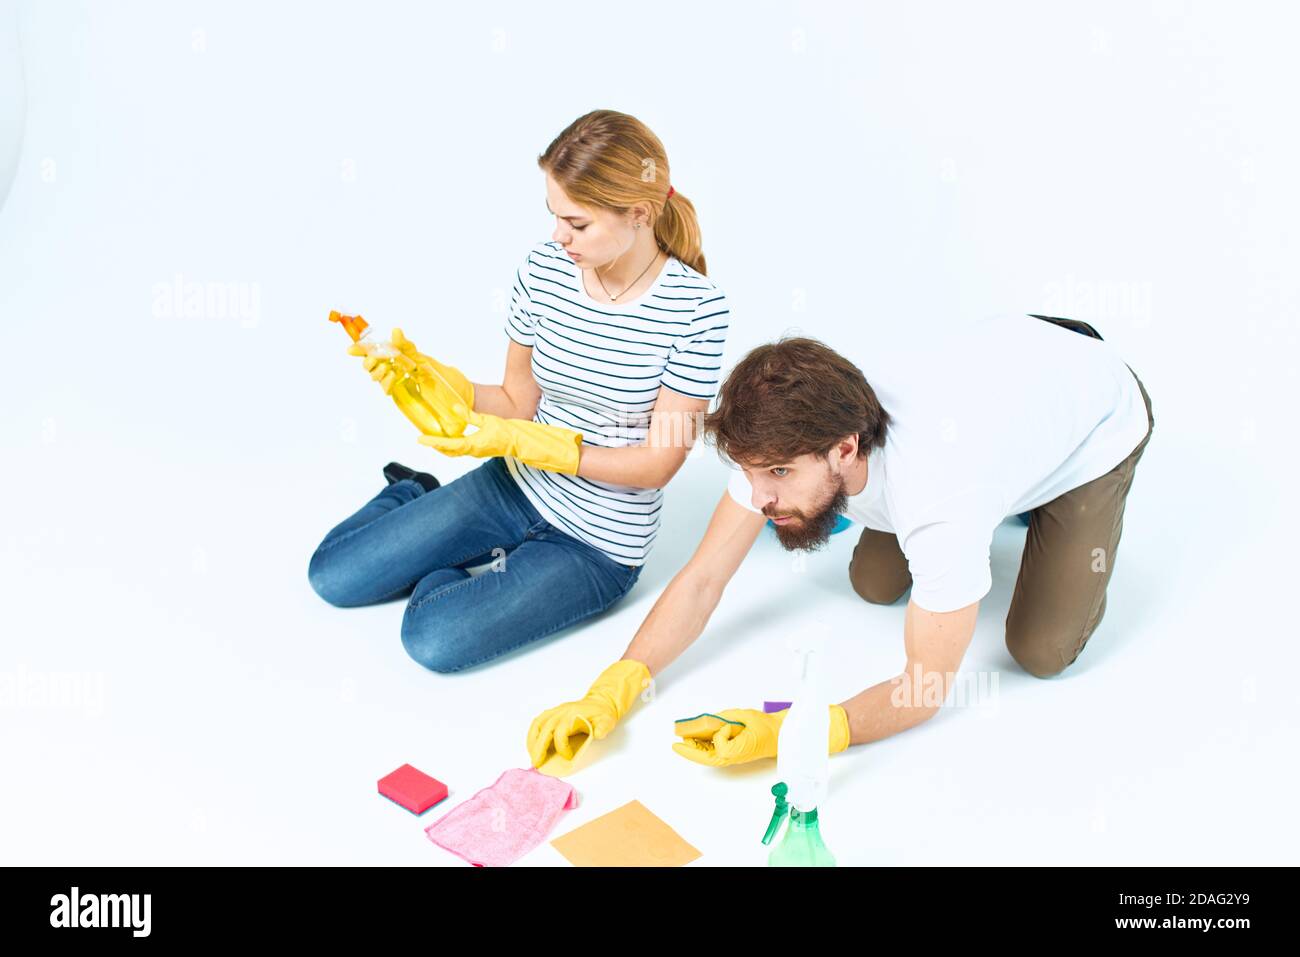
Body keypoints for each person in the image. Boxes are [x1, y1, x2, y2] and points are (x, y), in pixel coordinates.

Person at [527, 313, 1153, 771]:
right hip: (1003, 380)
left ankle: (1038, 491)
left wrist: (798, 732)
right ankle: (1026, 440)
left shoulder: (938, 498)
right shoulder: (780, 448)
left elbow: (925, 689)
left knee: (1039, 651)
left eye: (776, 476)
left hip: (1094, 420)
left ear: (846, 447)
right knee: (873, 584)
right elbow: (702, 580)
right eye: (752, 473)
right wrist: (611, 688)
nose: (760, 498)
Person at [307, 109, 731, 673]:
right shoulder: (543, 271)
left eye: (577, 224)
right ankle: (413, 495)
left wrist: (557, 448)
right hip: (514, 484)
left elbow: (659, 464)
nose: (560, 236)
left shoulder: (697, 310)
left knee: (434, 638)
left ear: (640, 213)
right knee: (332, 577)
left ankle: (449, 551)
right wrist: (436, 380)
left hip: (595, 543)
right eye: (554, 215)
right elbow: (513, 403)